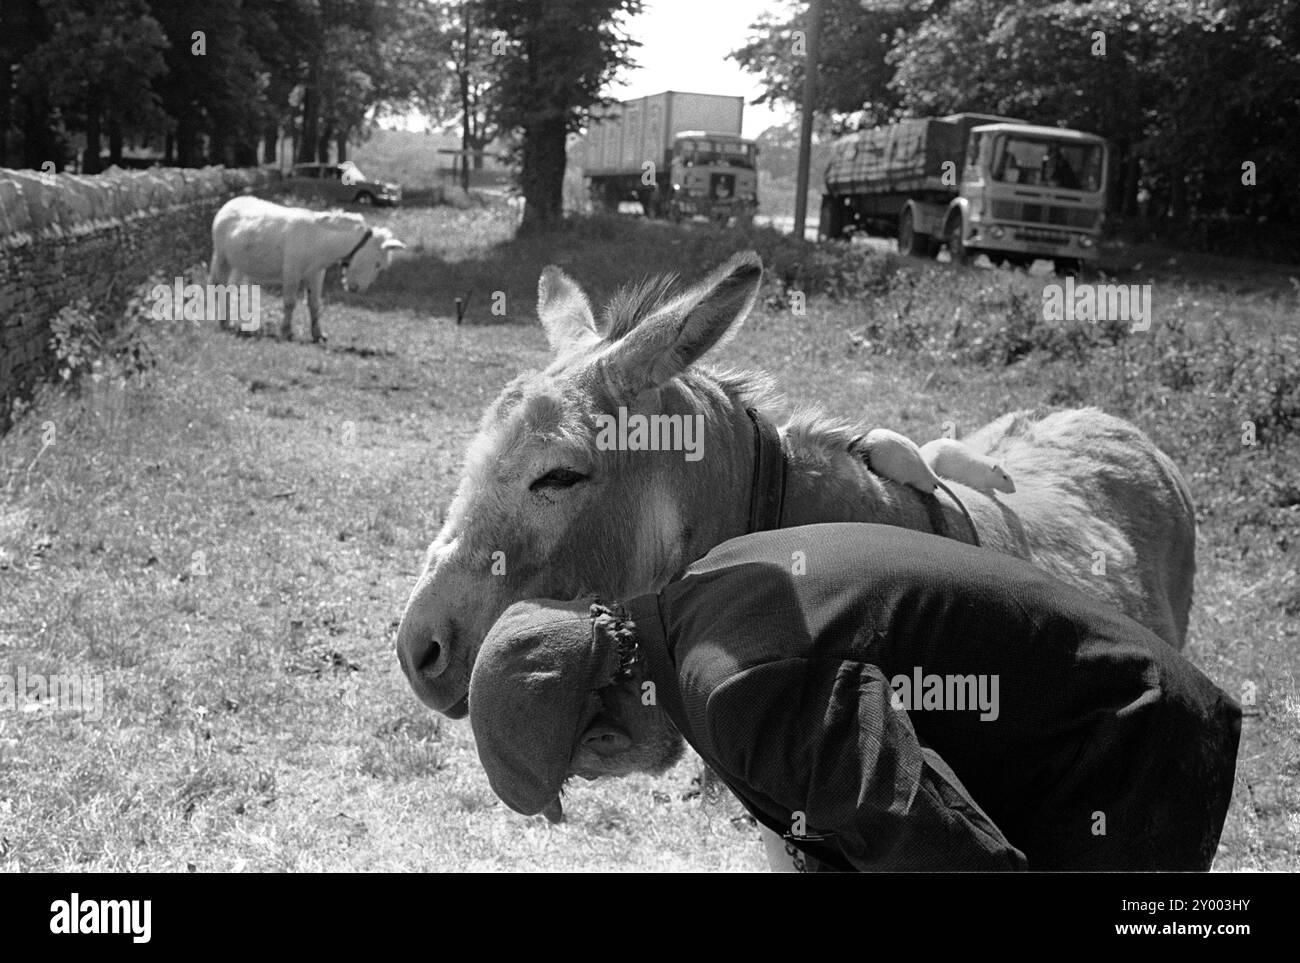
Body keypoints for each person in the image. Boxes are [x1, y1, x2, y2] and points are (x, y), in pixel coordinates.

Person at [468, 523, 1241, 872]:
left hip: (1131, 752)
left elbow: (937, 845)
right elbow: (850, 823)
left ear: (600, 743)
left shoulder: (733, 693)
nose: (609, 781)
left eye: (584, 777)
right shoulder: (704, 603)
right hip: (1103, 734)